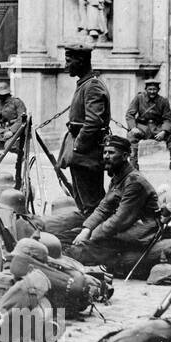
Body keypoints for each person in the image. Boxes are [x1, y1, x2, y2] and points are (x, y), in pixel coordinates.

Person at [65, 137, 162, 277]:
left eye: (111, 153)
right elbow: (103, 208)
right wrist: (86, 230)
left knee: (76, 251)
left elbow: (120, 219)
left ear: (124, 156)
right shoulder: (119, 178)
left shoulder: (134, 182)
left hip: (138, 233)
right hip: (121, 230)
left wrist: (92, 236)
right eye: (104, 152)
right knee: (68, 236)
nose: (106, 157)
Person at [57, 43, 109, 216]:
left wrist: (77, 147)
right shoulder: (85, 84)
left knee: (91, 203)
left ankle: (96, 239)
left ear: (80, 61)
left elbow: (93, 122)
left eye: (68, 61)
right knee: (84, 200)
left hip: (87, 154)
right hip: (83, 154)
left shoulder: (92, 86)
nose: (65, 66)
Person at [126, 79, 171, 173]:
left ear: (158, 89)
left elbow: (168, 118)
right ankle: (133, 163)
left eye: (154, 89)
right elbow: (130, 114)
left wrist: (164, 131)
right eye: (150, 89)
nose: (152, 91)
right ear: (145, 89)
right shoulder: (139, 98)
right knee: (131, 135)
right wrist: (133, 128)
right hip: (142, 127)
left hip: (157, 127)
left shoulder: (163, 101)